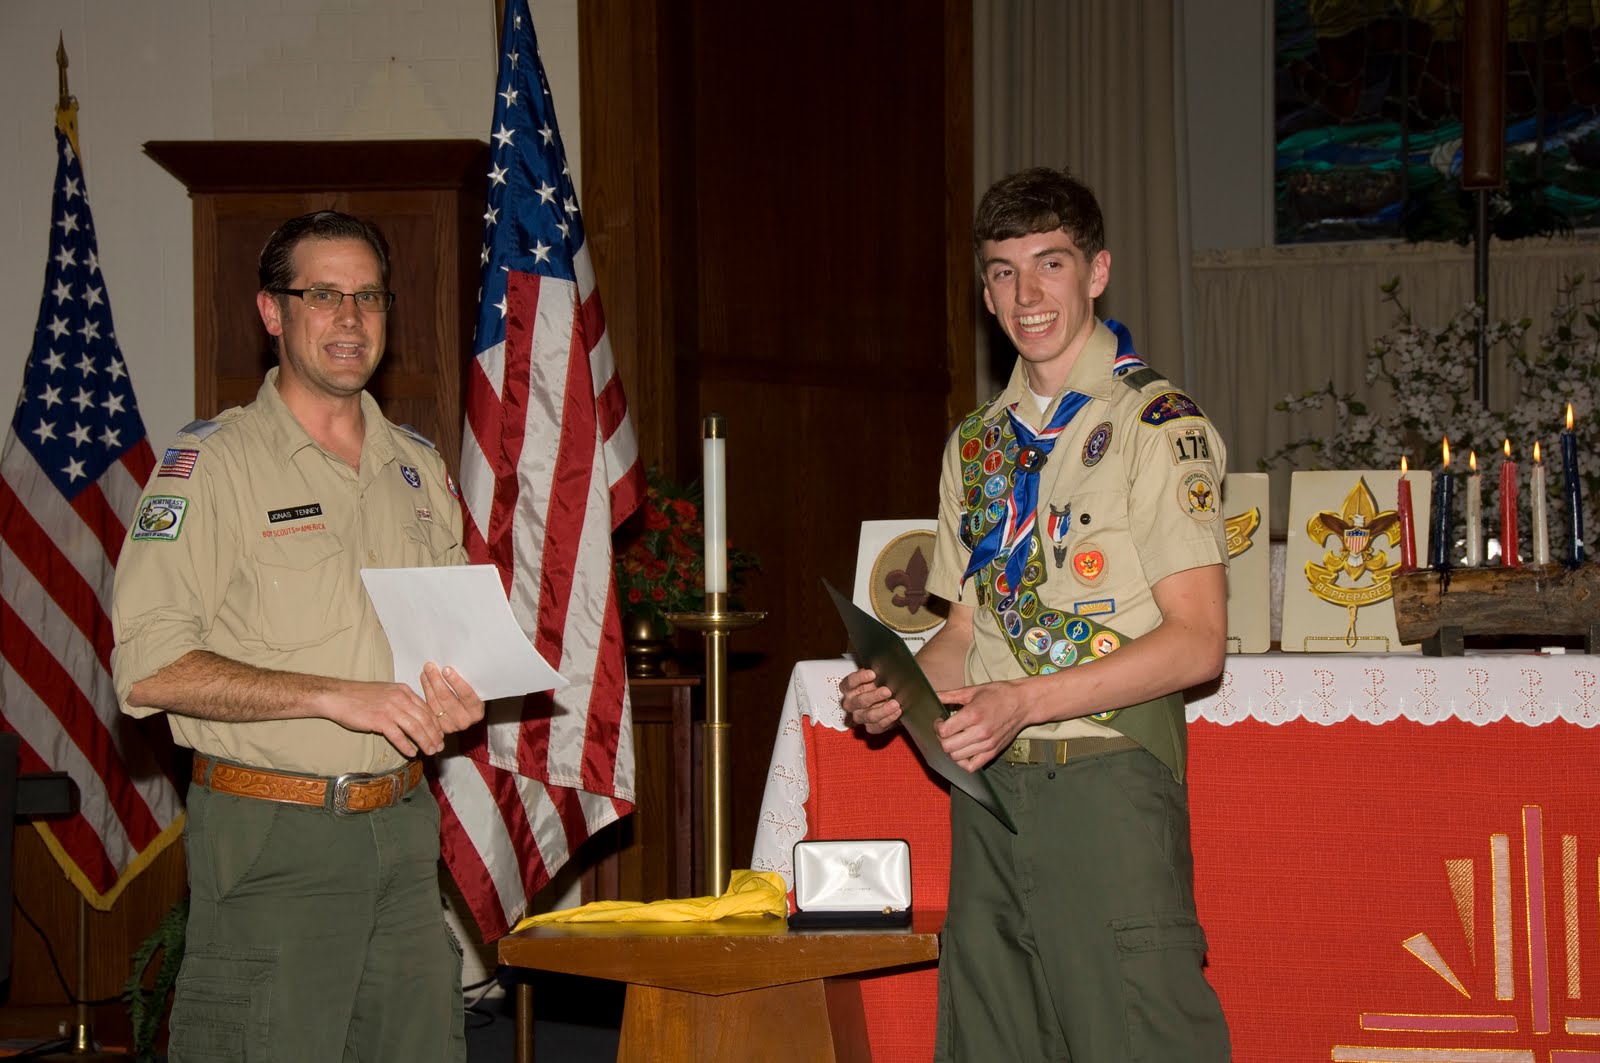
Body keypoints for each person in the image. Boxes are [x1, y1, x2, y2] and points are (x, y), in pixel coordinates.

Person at [842, 168, 1232, 1061]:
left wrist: (1026, 701)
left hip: (1106, 777)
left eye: (1049, 264)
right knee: (995, 1039)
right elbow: (968, 632)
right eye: (1004, 271)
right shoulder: (976, 444)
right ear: (985, 291)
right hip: (988, 792)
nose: (1028, 294)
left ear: (1096, 272)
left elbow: (1199, 643)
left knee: (1134, 1034)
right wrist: (897, 688)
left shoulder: (1157, 424)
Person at [111, 210, 484, 1062]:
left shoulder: (417, 466)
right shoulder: (213, 467)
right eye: (322, 295)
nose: (350, 319)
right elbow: (149, 667)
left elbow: (442, 639)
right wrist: (329, 695)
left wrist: (456, 693)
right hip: (275, 836)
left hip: (401, 831)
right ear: (272, 313)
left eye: (368, 296)